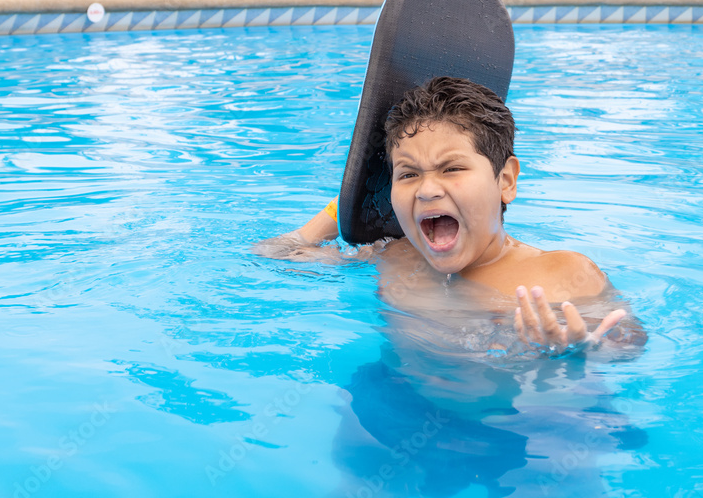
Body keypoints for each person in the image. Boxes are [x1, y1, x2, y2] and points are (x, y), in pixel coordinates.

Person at [254, 76, 643, 358]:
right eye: (407, 174)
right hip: (392, 415)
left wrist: (581, 352)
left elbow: (628, 345)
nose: (426, 190)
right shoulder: (396, 256)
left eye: (452, 169)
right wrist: (347, 202)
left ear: (505, 181)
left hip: (522, 427)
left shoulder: (561, 272)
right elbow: (275, 256)